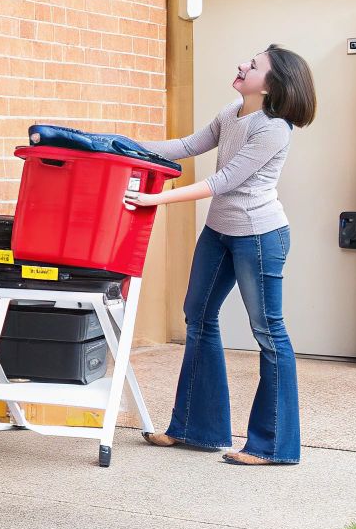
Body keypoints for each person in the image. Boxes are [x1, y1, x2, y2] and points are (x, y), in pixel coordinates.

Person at [125, 45, 317, 466]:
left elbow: (224, 180)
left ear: (272, 84)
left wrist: (155, 199)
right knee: (198, 316)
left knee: (269, 333)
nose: (242, 65)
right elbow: (187, 145)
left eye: (253, 65)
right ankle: (198, 429)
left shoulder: (273, 129)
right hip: (219, 232)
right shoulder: (234, 111)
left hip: (260, 237)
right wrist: (123, 146)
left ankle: (273, 447)